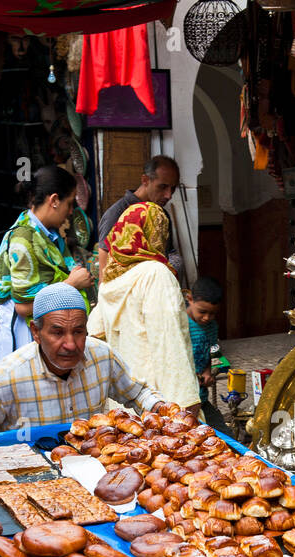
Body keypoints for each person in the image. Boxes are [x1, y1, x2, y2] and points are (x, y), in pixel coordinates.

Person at [0, 282, 166, 436]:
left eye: (78, 332)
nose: (70, 344)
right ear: (36, 331)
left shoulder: (102, 356)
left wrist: (162, 410)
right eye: (57, 333)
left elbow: (138, 393)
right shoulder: (7, 377)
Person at [87, 202, 200, 414]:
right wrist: (186, 407)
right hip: (159, 405)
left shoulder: (109, 283)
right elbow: (170, 344)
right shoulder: (156, 274)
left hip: (124, 405)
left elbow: (94, 334)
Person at [0, 166, 95, 376]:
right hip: (22, 338)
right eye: (69, 204)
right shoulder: (23, 239)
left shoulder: (46, 236)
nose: (71, 212)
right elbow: (23, 307)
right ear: (54, 200)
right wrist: (72, 284)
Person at [95, 155, 182, 279]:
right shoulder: (117, 213)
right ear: (145, 180)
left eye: (173, 189)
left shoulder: (162, 215)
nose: (169, 195)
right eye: (162, 187)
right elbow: (104, 271)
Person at [186, 276, 228, 430]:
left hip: (201, 398)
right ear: (189, 299)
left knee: (225, 435)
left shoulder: (212, 326)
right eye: (202, 312)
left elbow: (213, 352)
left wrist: (208, 371)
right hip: (183, 400)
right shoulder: (181, 324)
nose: (207, 318)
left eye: (212, 314)